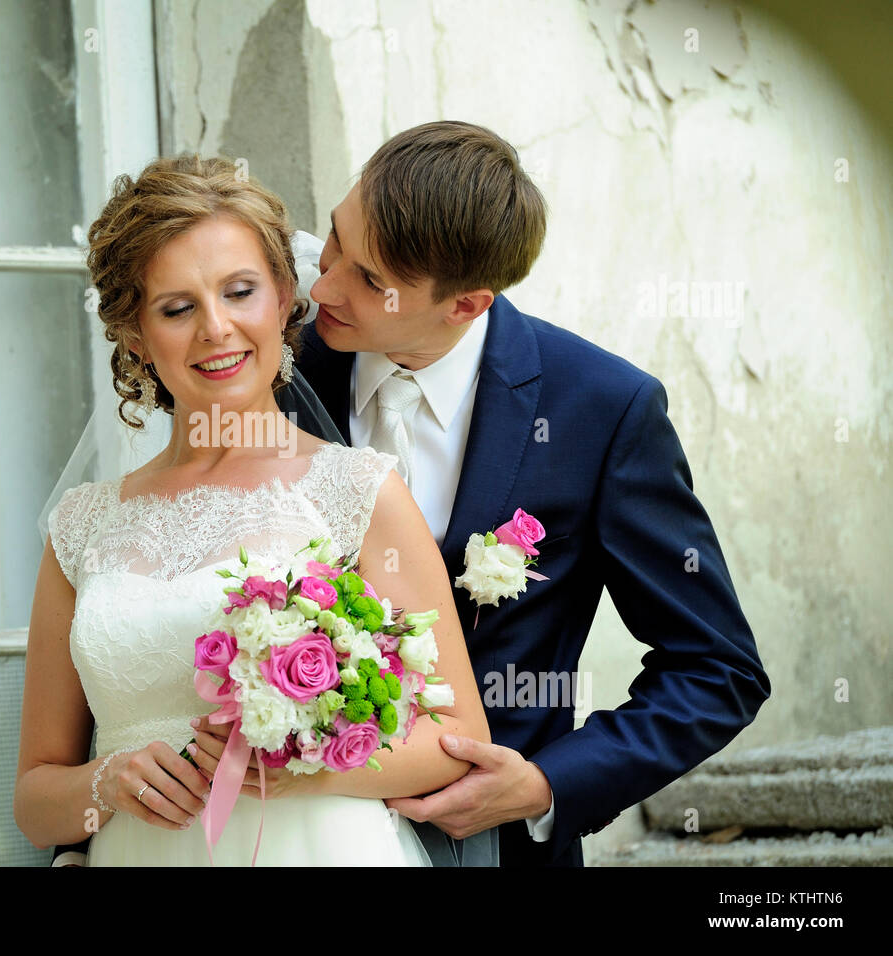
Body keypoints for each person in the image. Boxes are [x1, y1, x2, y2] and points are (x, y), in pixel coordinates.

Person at [276, 120, 771, 866]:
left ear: (466, 304)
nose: (324, 286)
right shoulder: (272, 367)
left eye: (371, 280)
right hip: (286, 833)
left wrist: (546, 784)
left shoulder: (601, 410)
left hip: (498, 852)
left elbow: (718, 668)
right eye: (338, 239)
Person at [13, 154, 491, 866]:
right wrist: (103, 783)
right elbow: (35, 799)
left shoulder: (356, 491)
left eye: (240, 292)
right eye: (177, 308)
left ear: (283, 298)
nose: (216, 328)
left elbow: (457, 741)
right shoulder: (82, 526)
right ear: (134, 336)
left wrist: (303, 766)